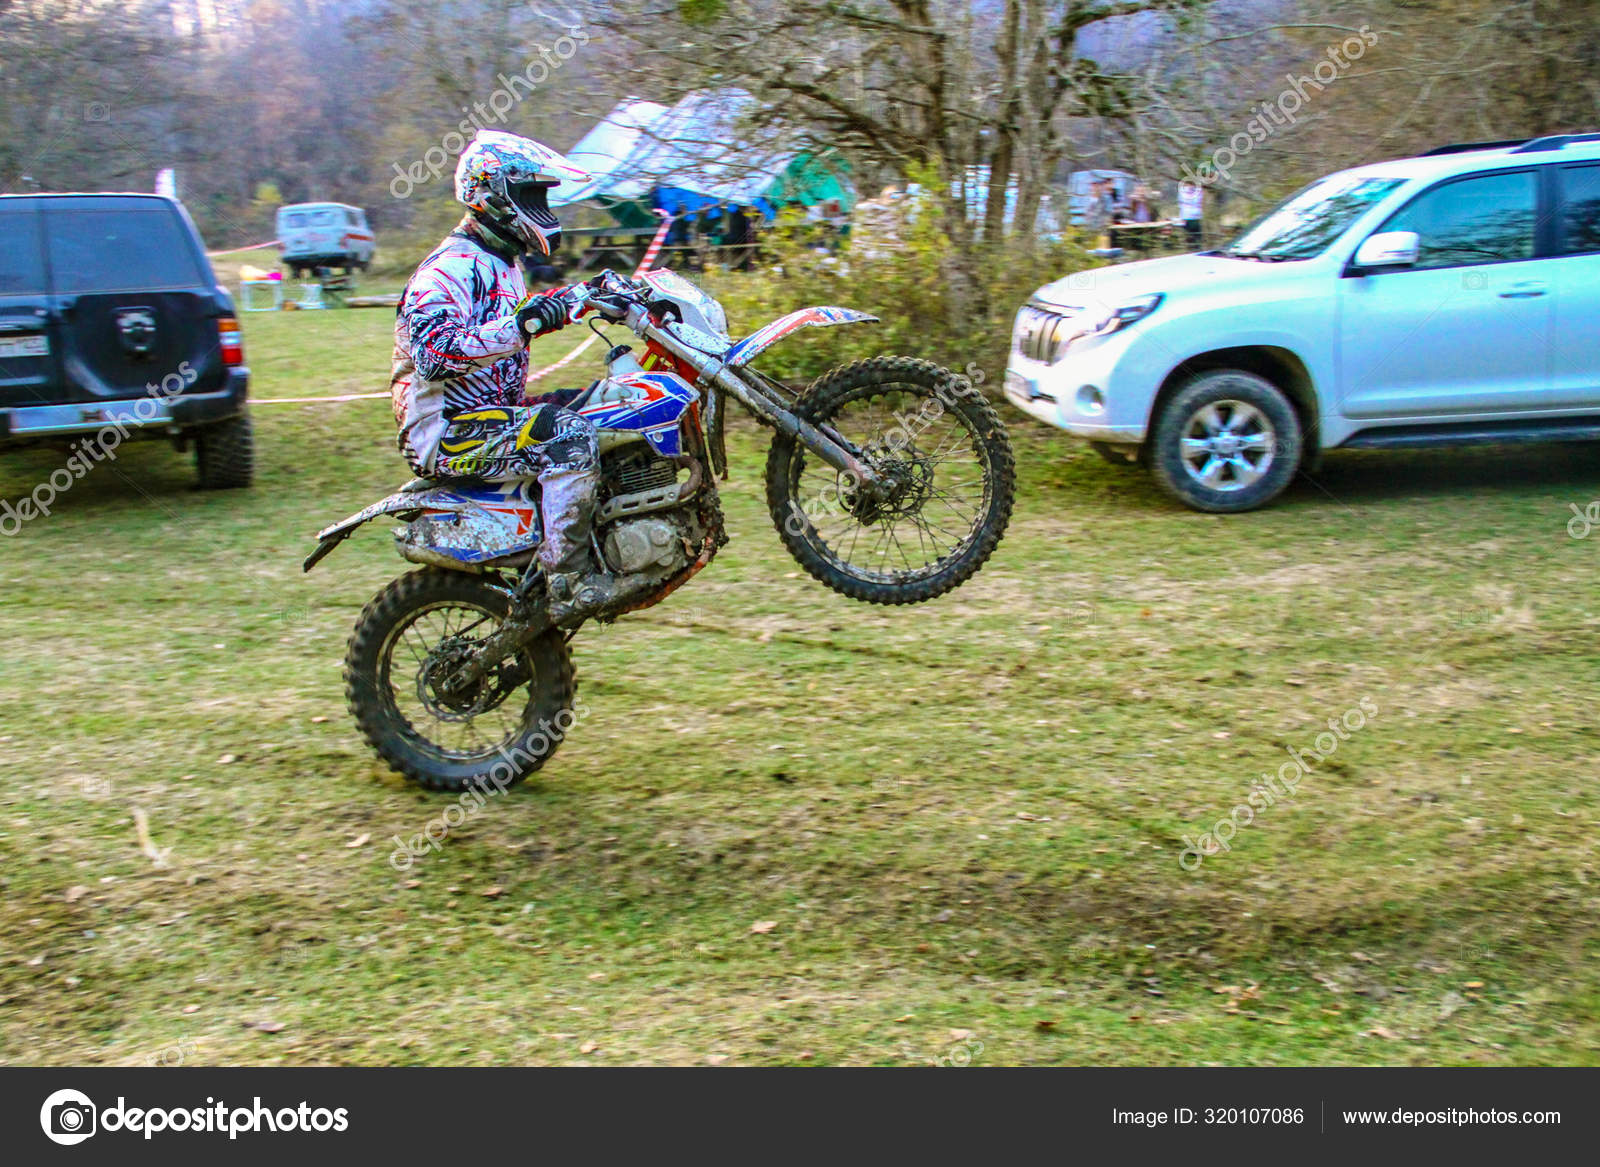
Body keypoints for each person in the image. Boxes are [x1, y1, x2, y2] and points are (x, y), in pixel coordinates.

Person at [390, 129, 624, 624]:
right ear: (492, 195)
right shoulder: (447, 270)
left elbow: (521, 317)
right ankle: (568, 581)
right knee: (569, 438)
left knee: (613, 401)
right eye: (530, 196)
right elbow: (434, 354)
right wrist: (524, 324)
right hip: (446, 430)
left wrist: (594, 293)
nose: (541, 208)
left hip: (494, 413)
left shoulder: (500, 262)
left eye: (541, 196)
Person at [1178, 178, 1205, 249]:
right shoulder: (1197, 191)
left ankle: (1194, 248)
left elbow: (1181, 205)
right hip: (1191, 217)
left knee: (1193, 237)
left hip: (1190, 217)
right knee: (1193, 237)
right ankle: (1194, 248)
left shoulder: (1183, 191)